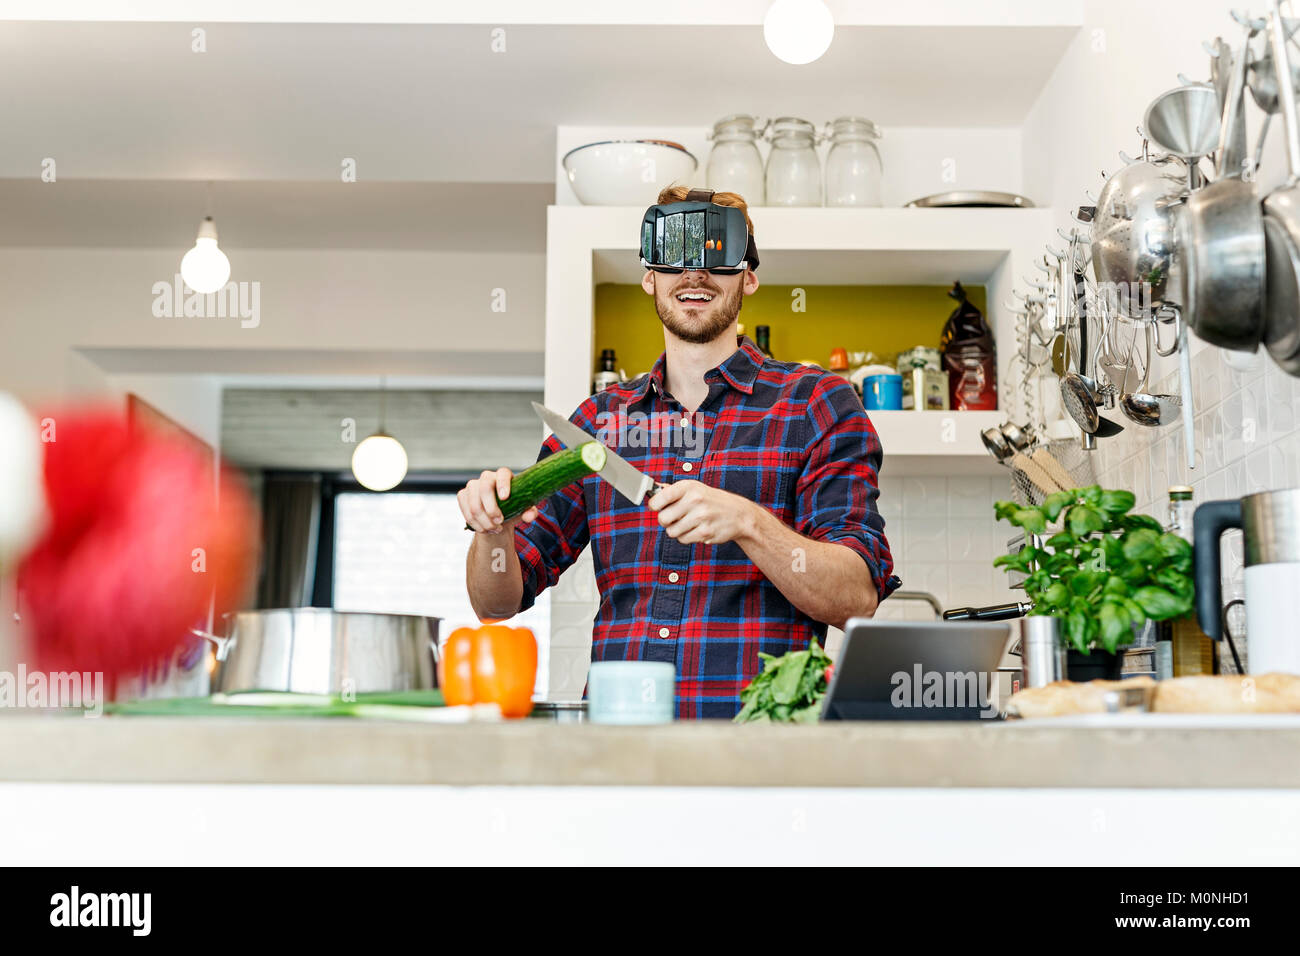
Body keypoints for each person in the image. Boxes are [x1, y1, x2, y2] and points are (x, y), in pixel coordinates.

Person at [460, 186, 898, 718]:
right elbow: (495, 601)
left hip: (762, 747)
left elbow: (857, 599)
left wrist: (749, 523)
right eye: (674, 256)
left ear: (749, 276)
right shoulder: (596, 425)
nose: (695, 274)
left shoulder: (817, 404)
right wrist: (493, 531)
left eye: (718, 253)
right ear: (650, 276)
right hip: (618, 745)